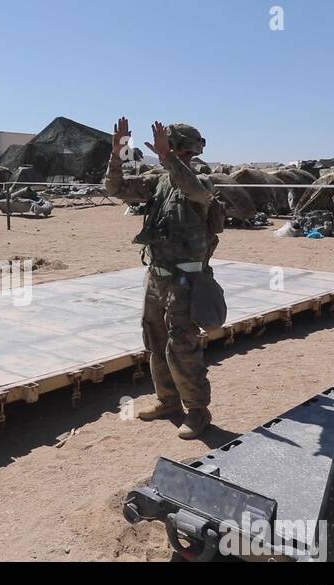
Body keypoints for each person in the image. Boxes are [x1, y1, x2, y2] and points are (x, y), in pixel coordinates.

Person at [104, 118, 221, 439]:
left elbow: (194, 190)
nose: (161, 151)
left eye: (168, 146)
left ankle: (198, 411)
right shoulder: (158, 182)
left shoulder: (203, 181)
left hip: (187, 280)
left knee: (182, 345)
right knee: (154, 343)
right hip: (156, 276)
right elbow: (114, 189)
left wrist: (167, 158)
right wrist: (116, 154)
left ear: (181, 148)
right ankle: (168, 401)